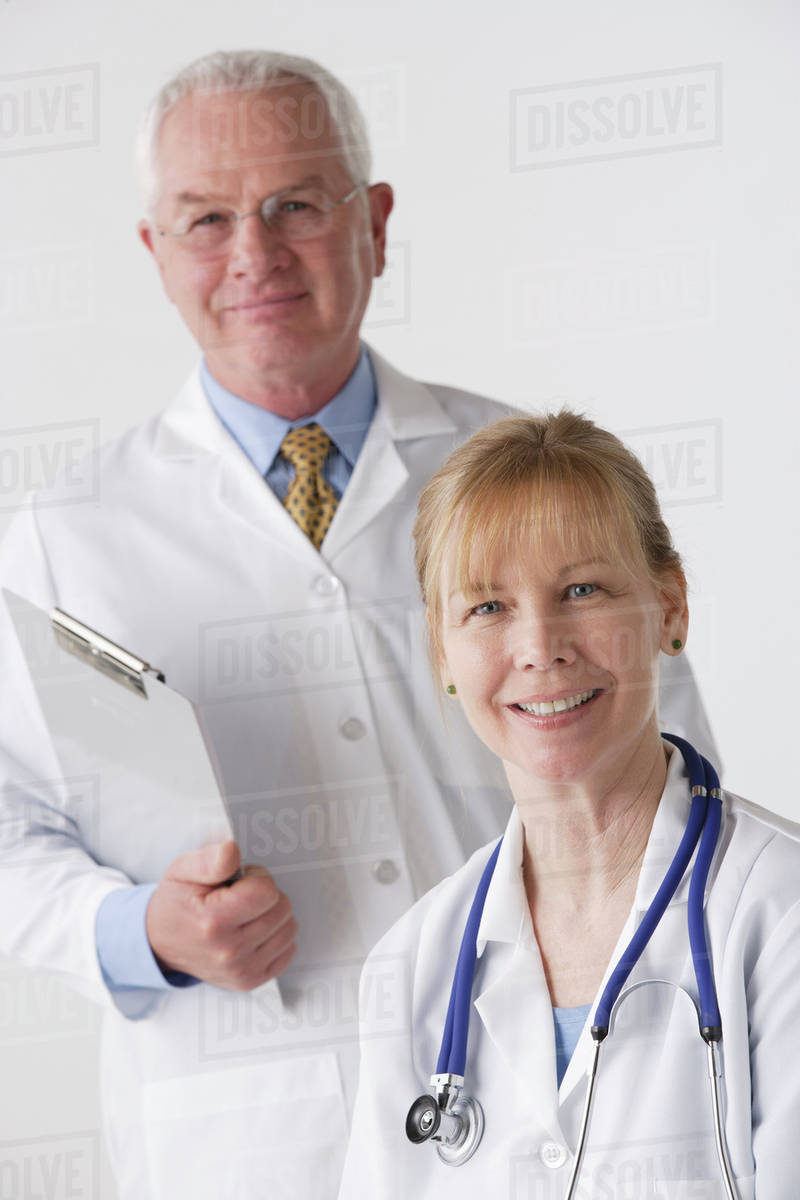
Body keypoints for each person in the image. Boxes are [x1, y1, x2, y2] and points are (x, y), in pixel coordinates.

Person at [0, 51, 716, 1200]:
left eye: (295, 204)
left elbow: (670, 766)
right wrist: (136, 931)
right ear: (154, 252)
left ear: (373, 223)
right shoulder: (65, 531)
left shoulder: (524, 472)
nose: (254, 253)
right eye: (206, 219)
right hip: (245, 1137)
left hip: (548, 1092)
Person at [339, 411, 800, 1200]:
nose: (540, 647)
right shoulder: (412, 965)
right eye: (488, 607)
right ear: (442, 651)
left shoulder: (778, 914)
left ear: (671, 607)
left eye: (582, 590)